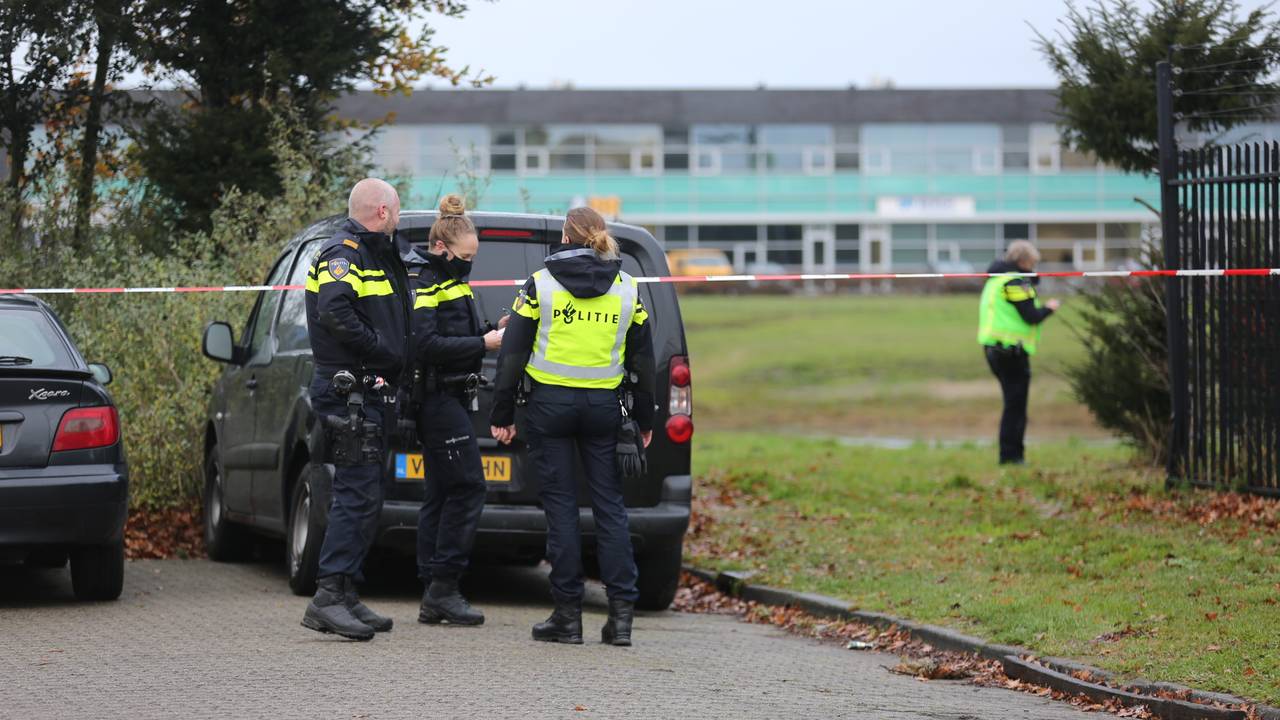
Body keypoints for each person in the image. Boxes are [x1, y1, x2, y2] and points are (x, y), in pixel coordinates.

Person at [490, 206, 656, 647]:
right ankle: (621, 619)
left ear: (566, 236)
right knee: (609, 509)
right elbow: (643, 361)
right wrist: (645, 419)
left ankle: (567, 617)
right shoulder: (626, 289)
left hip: (549, 409)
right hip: (604, 410)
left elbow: (512, 354)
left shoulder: (541, 285)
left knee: (561, 510)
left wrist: (500, 414)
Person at [301, 178, 411, 641]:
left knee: (367, 494)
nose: (400, 218)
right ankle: (327, 597)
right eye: (398, 211)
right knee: (353, 493)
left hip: (368, 390)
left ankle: (345, 591)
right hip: (348, 389)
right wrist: (380, 351)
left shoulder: (374, 253)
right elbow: (335, 313)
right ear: (383, 211)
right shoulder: (342, 253)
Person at [406, 194, 504, 626]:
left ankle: (433, 588)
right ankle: (444, 587)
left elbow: (459, 332)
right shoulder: (427, 281)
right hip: (437, 399)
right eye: (466, 256)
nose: (470, 264)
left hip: (454, 398)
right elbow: (425, 345)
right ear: (443, 248)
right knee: (468, 488)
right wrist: (482, 345)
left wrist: (492, 330)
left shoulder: (453, 281)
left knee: (442, 491)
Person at [977, 240, 1061, 465]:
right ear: (1024, 261)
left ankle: (1011, 455)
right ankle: (1011, 456)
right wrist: (1049, 308)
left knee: (1012, 404)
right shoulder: (1013, 282)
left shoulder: (996, 279)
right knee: (1015, 407)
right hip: (1009, 351)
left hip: (996, 348)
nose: (1034, 268)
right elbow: (1030, 315)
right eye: (1033, 263)